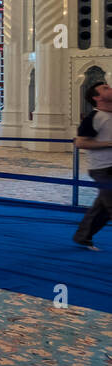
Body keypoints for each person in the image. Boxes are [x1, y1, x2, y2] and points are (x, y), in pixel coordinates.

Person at [74, 82, 112, 248]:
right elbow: (80, 143)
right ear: (96, 98)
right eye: (105, 88)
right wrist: (109, 143)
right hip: (103, 169)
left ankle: (83, 236)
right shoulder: (93, 118)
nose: (110, 88)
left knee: (102, 207)